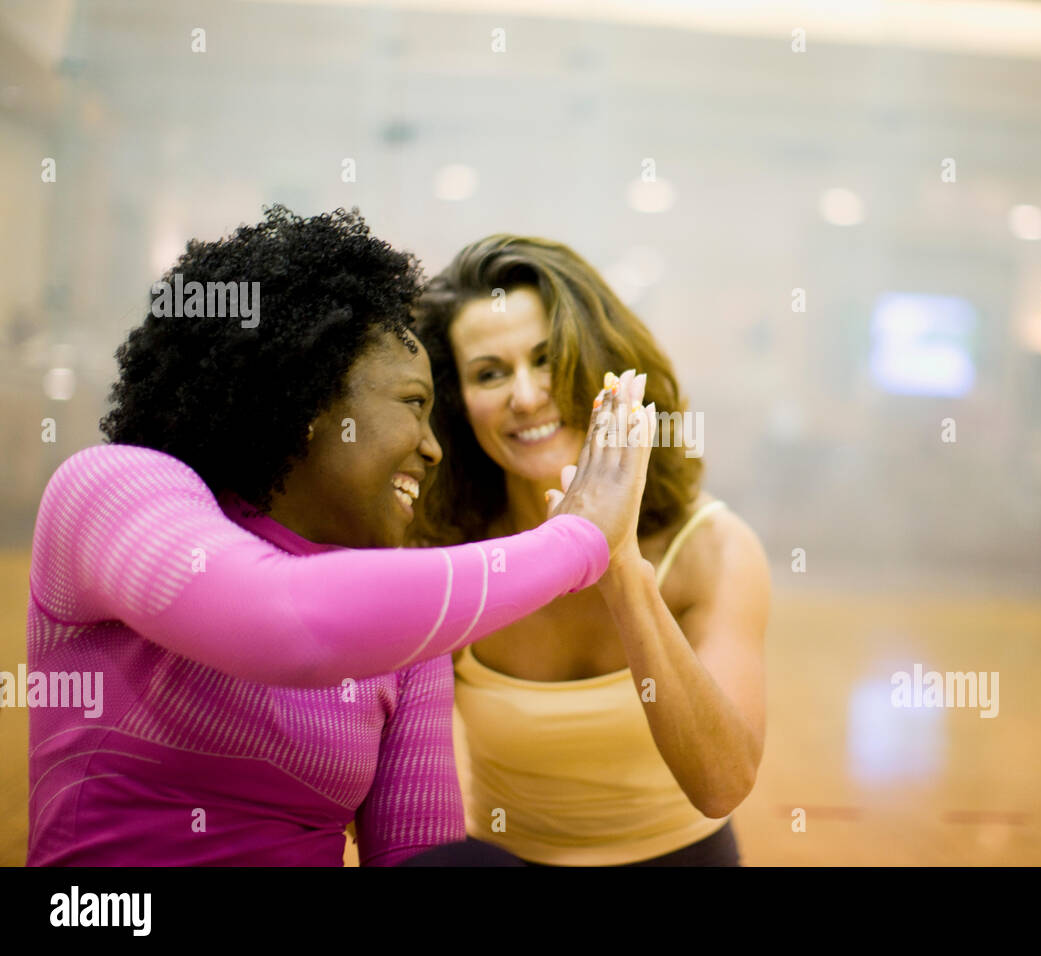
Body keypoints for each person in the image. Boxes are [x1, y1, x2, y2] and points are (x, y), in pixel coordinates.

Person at [24, 207, 652, 866]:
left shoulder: (405, 623)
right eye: (414, 404)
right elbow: (283, 621)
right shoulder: (112, 491)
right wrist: (577, 540)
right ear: (309, 400)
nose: (434, 449)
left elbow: (418, 856)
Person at [405, 235, 770, 866]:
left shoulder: (715, 548)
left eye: (548, 358)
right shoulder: (444, 550)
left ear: (599, 363)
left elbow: (723, 784)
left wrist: (618, 561)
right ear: (457, 403)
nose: (524, 395)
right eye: (490, 373)